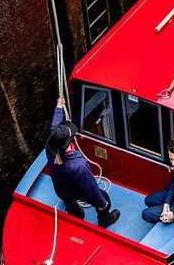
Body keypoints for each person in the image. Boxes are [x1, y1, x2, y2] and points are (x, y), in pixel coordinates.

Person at [45, 96, 120, 228]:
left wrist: (59, 107)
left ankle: (77, 218)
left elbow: (54, 126)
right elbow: (91, 188)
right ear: (70, 141)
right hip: (75, 190)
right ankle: (104, 220)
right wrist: (102, 203)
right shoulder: (78, 166)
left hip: (61, 189)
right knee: (104, 197)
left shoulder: (51, 143)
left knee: (70, 204)